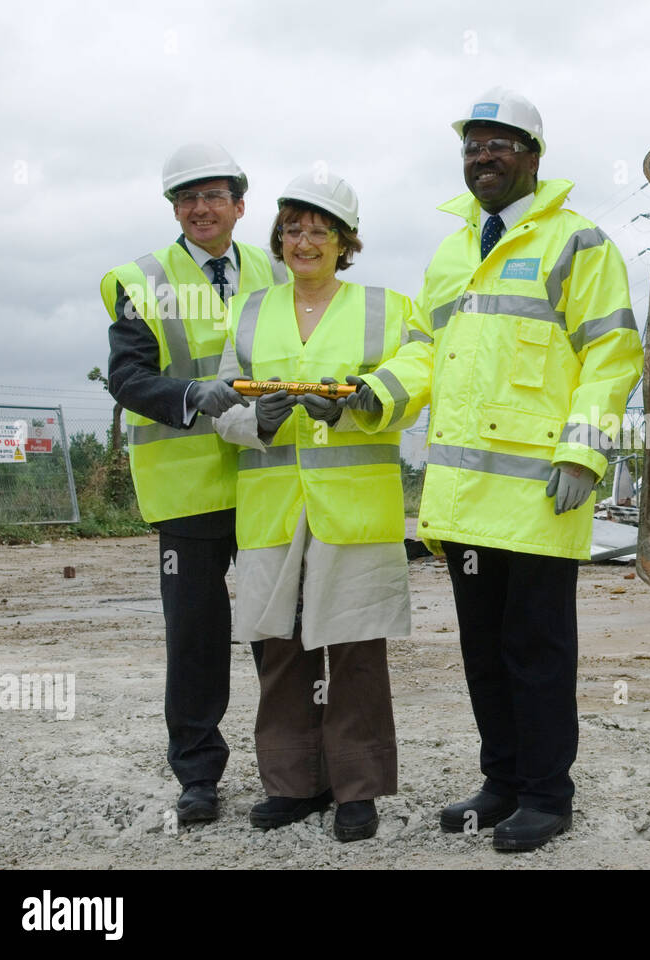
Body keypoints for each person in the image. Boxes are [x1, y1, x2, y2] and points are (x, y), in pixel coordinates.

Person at [373, 88, 644, 851]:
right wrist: (371, 398)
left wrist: (584, 453)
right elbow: (423, 350)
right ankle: (501, 782)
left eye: (498, 144)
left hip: (536, 495)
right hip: (463, 499)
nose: (481, 157)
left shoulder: (576, 244)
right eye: (471, 147)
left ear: (532, 156)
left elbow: (612, 355)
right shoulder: (452, 252)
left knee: (537, 652)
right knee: (484, 652)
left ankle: (547, 795)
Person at [213, 170, 417, 843]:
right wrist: (255, 421)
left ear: (344, 242)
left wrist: (364, 398)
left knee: (355, 650)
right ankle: (293, 785)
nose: (304, 241)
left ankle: (357, 792)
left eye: (319, 231)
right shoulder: (249, 312)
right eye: (292, 229)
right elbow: (221, 403)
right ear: (279, 238)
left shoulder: (385, 307)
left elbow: (421, 369)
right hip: (274, 507)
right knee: (280, 648)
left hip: (352, 510)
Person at [100, 142, 289, 825]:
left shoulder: (277, 268)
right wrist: (190, 394)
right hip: (187, 496)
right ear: (174, 210)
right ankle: (199, 777)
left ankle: (290, 772)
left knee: (279, 632)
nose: (199, 208)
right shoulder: (141, 279)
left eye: (213, 195)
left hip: (267, 482)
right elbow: (127, 377)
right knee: (197, 642)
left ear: (240, 205)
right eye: (186, 198)